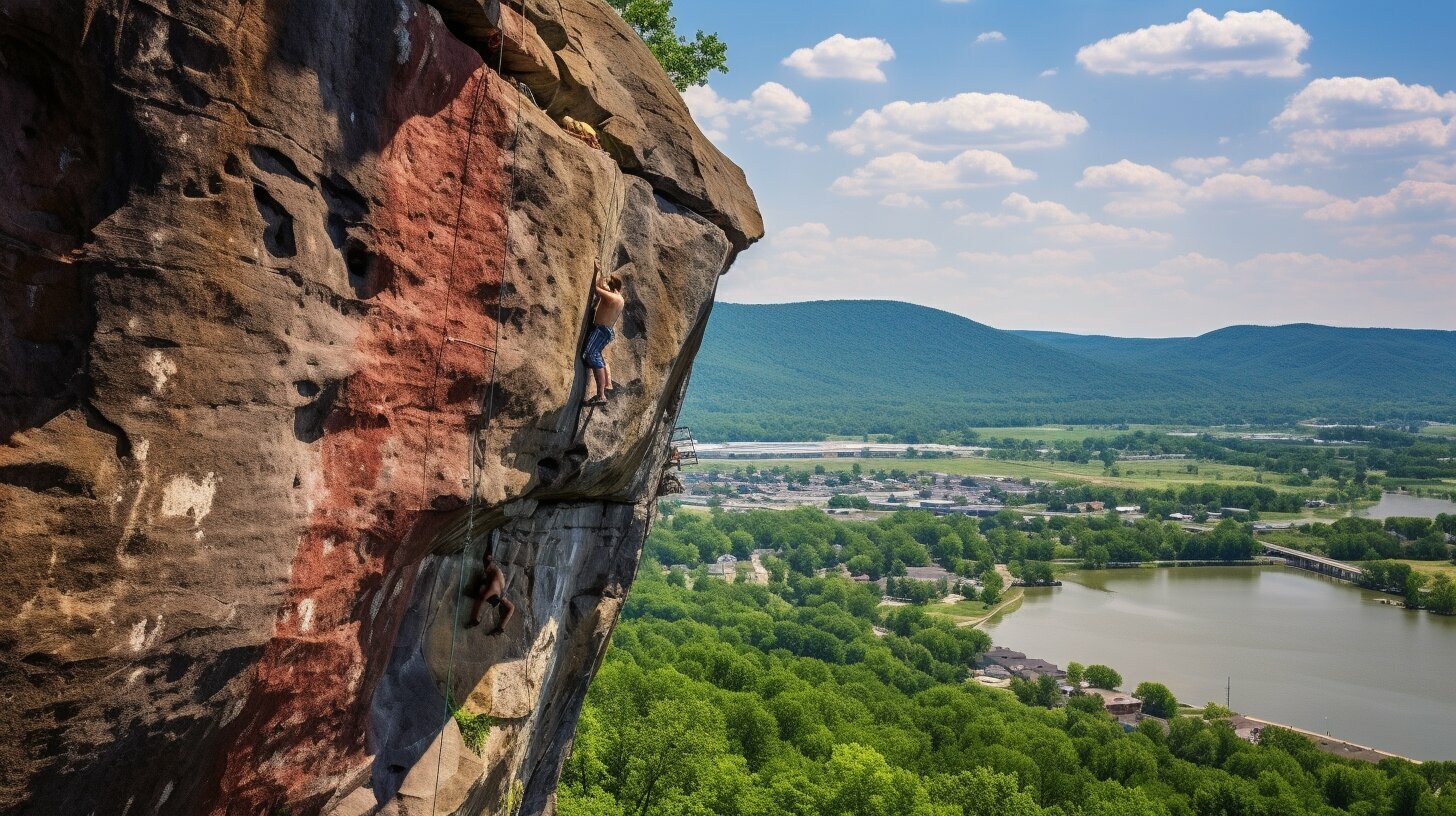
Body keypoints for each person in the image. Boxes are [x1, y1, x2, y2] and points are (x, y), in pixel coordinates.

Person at [582, 260, 623, 406]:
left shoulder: (613, 297)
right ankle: (606, 385)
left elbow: (596, 289)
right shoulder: (619, 298)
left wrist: (596, 272)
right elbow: (601, 288)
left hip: (601, 330)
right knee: (597, 355)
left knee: (591, 354)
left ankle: (601, 395)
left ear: (613, 289)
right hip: (605, 330)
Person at [464, 551, 515, 636]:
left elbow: (482, 600)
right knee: (512, 607)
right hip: (500, 593)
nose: (485, 569)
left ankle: (474, 621)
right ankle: (500, 628)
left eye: (486, 568)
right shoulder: (497, 570)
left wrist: (475, 618)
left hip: (495, 597)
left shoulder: (493, 584)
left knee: (480, 596)